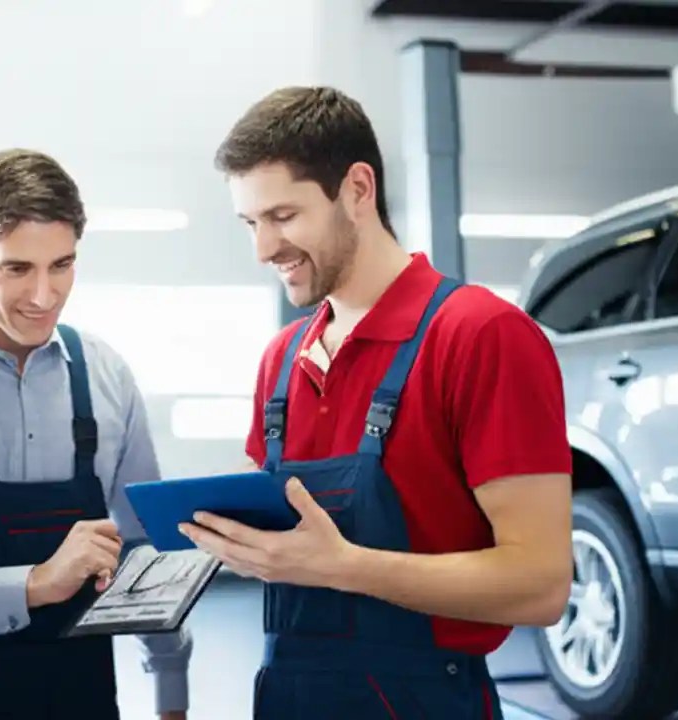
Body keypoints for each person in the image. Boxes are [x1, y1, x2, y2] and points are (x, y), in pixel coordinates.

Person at [180, 86, 574, 718]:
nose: (262, 249)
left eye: (283, 217)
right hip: (289, 696)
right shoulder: (280, 360)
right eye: (250, 224)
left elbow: (541, 585)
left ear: (358, 189)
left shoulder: (481, 336)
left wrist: (345, 567)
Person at [0, 149, 191, 720]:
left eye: (63, 265)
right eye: (17, 269)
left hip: (88, 698)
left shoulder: (105, 374)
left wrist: (172, 690)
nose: (45, 296)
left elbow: (148, 551)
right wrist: (37, 583)